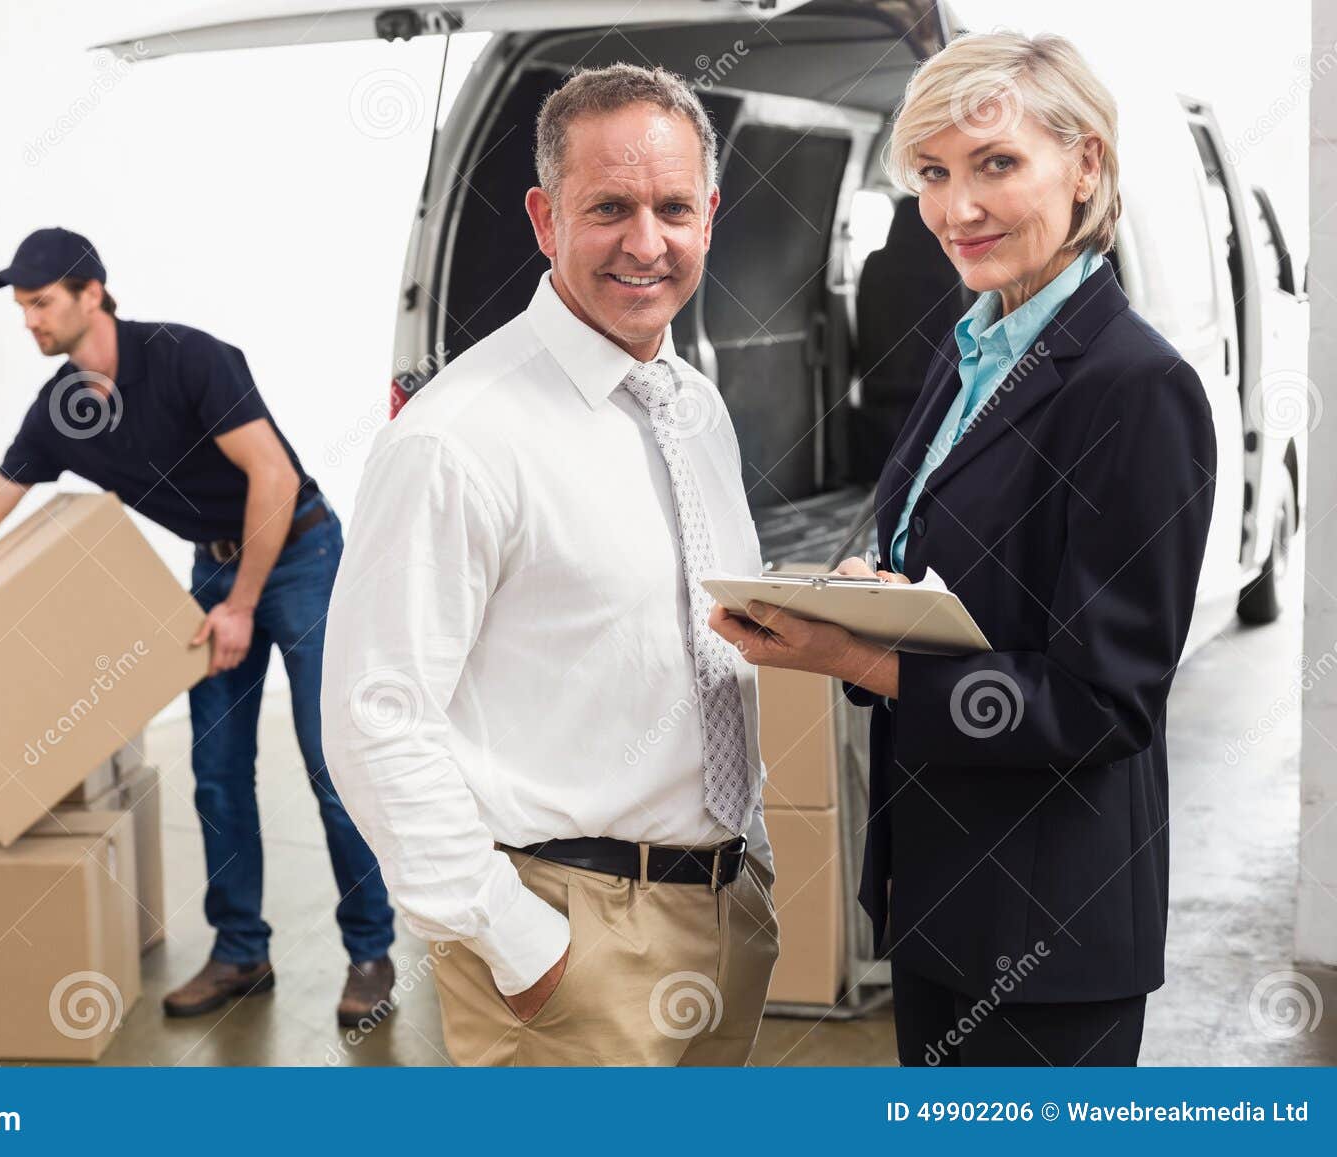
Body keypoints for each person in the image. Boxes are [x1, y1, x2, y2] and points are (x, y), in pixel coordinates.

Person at [711, 33, 1216, 1066]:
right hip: (937, 898)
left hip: (1048, 926)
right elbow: (969, 584)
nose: (955, 209)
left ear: (1085, 166)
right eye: (933, 174)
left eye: (995, 165)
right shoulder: (971, 346)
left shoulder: (1134, 388)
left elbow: (1104, 701)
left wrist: (854, 657)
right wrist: (874, 597)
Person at [321, 64, 778, 1067]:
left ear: (710, 213)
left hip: (723, 915)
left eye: (672, 207)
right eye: (608, 207)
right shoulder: (460, 438)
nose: (645, 242)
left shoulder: (692, 405)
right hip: (566, 939)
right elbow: (374, 714)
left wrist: (752, 859)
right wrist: (515, 941)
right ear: (543, 217)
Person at [0, 227, 396, 1026]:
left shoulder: (190, 357)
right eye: (22, 306)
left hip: (299, 550)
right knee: (218, 773)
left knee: (329, 762)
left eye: (40, 302)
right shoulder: (62, 413)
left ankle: (370, 954)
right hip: (215, 563)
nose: (29, 319)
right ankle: (241, 950)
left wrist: (239, 606)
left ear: (91, 292)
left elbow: (271, 475)